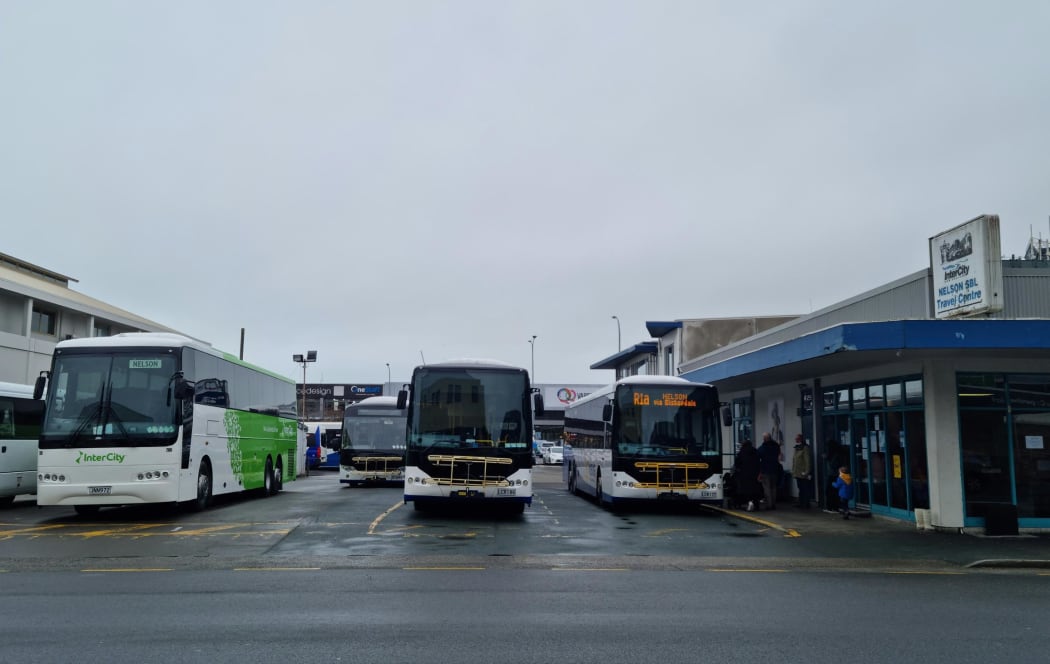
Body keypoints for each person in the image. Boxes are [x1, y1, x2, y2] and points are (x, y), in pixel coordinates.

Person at [734, 439, 762, 511]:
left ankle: (748, 502)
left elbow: (737, 463)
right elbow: (758, 462)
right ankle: (756, 504)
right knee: (755, 489)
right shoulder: (755, 451)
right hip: (755, 473)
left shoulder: (741, 452)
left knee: (745, 489)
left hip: (744, 474)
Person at [757, 432, 781, 510]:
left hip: (765, 470)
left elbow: (758, 455)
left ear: (765, 438)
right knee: (773, 487)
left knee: (767, 488)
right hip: (775, 469)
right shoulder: (776, 446)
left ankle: (769, 505)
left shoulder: (763, 447)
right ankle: (773, 504)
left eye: (763, 438)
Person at [791, 434, 814, 509]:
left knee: (805, 488)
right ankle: (801, 502)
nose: (796, 440)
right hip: (797, 472)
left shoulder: (805, 448)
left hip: (803, 472)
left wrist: (807, 472)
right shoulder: (797, 448)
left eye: (797, 439)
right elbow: (794, 460)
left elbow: (807, 461)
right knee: (800, 488)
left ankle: (805, 503)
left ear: (800, 439)